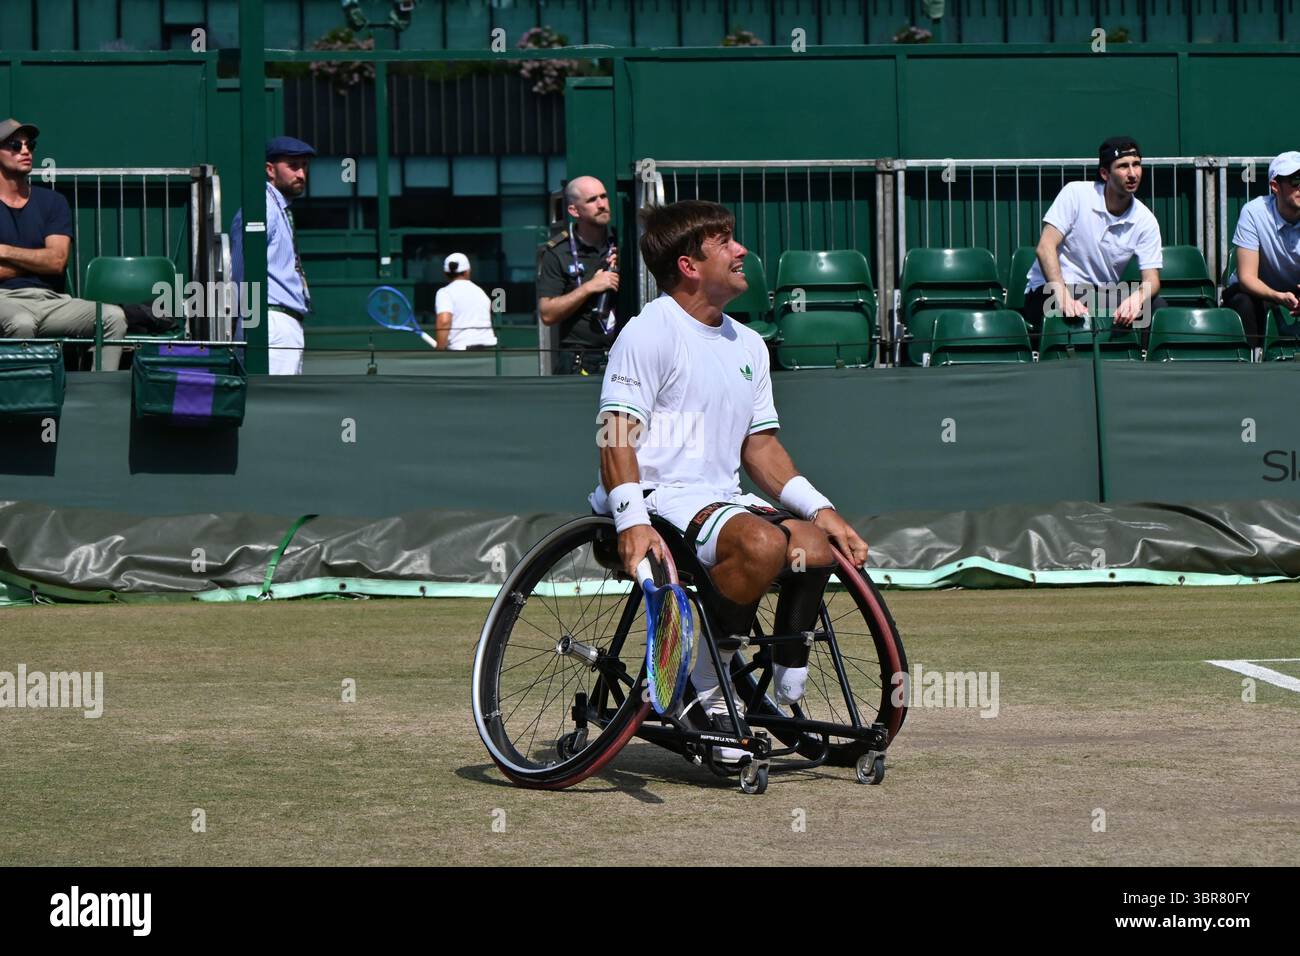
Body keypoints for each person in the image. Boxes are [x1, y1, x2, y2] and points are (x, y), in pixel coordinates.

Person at [591, 199, 869, 761]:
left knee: (815, 543)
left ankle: (788, 661)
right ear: (690, 265)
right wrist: (630, 521)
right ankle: (703, 684)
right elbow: (615, 433)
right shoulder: (649, 331)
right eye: (726, 243)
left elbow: (760, 447)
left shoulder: (749, 344)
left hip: (718, 499)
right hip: (654, 499)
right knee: (764, 544)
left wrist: (822, 509)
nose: (742, 251)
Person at [0, 118, 127, 371]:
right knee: (22, 322)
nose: (25, 151)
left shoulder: (53, 202)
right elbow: (47, 261)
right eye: (15, 145)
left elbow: (57, 261)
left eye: (30, 145)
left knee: (113, 317)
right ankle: (23, 403)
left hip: (51, 300)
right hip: (4, 300)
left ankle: (100, 400)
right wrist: (38, 263)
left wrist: (4, 251)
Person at [1021, 136, 1166, 348]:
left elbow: (1152, 279)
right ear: (1105, 173)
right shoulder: (1075, 194)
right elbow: (1045, 248)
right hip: (1049, 291)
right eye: (1123, 166)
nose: (1133, 174)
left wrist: (1137, 299)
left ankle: (1138, 371)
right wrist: (1061, 295)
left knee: (1156, 307)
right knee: (1065, 306)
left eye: (1136, 165)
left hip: (1100, 295)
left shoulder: (1146, 220)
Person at [231, 136, 316, 375]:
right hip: (270, 322)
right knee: (276, 404)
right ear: (270, 170)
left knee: (281, 405)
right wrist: (246, 321)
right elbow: (240, 271)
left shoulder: (276, 207)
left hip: (278, 323)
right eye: (293, 166)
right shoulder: (262, 208)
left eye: (304, 166)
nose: (301, 174)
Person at [536, 175, 619, 375]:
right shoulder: (557, 252)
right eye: (592, 200)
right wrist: (590, 287)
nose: (601, 205)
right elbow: (547, 313)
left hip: (623, 356)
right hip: (579, 360)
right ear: (574, 210)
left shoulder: (622, 242)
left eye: (603, 197)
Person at [1221, 151, 1300, 353]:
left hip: (1295, 293)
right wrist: (1278, 296)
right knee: (1244, 302)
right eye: (1296, 180)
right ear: (1275, 187)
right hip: (1256, 293)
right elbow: (1247, 278)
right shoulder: (1253, 212)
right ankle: (1249, 370)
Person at [433, 252, 498, 351]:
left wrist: (439, 350)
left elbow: (444, 321)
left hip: (464, 354)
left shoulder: (444, 293)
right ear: (468, 271)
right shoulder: (481, 293)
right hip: (490, 351)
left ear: (446, 274)